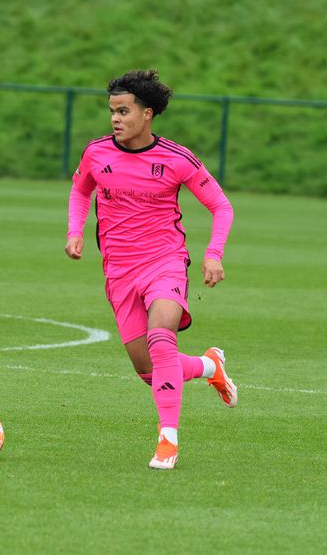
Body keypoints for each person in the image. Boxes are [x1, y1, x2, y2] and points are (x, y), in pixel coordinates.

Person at [65, 69, 236, 470]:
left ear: (147, 114)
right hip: (119, 273)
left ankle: (168, 441)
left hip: (165, 263)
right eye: (112, 111)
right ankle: (210, 365)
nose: (115, 119)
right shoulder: (97, 152)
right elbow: (80, 189)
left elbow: (221, 206)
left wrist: (214, 253)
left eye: (123, 111)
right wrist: (75, 231)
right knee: (149, 370)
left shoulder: (176, 159)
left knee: (162, 339)